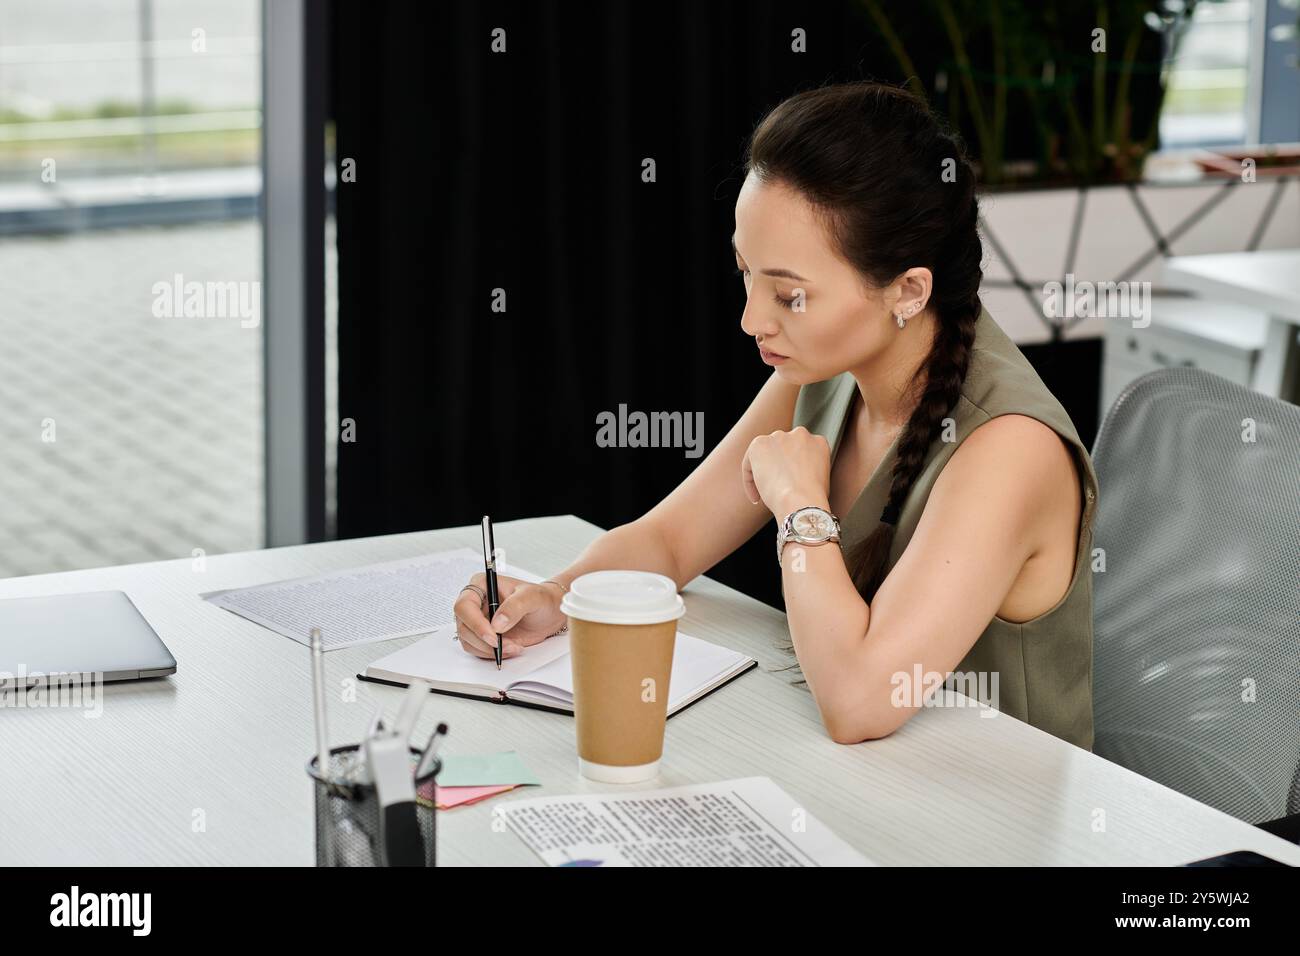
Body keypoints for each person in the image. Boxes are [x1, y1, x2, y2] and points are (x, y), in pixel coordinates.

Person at [453, 81, 1098, 750]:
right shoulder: (826, 369)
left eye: (789, 294)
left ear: (908, 290)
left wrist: (796, 503)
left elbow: (858, 701)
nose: (751, 319)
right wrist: (558, 596)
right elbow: (671, 541)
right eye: (745, 272)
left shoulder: (1009, 448)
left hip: (994, 823)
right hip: (878, 789)